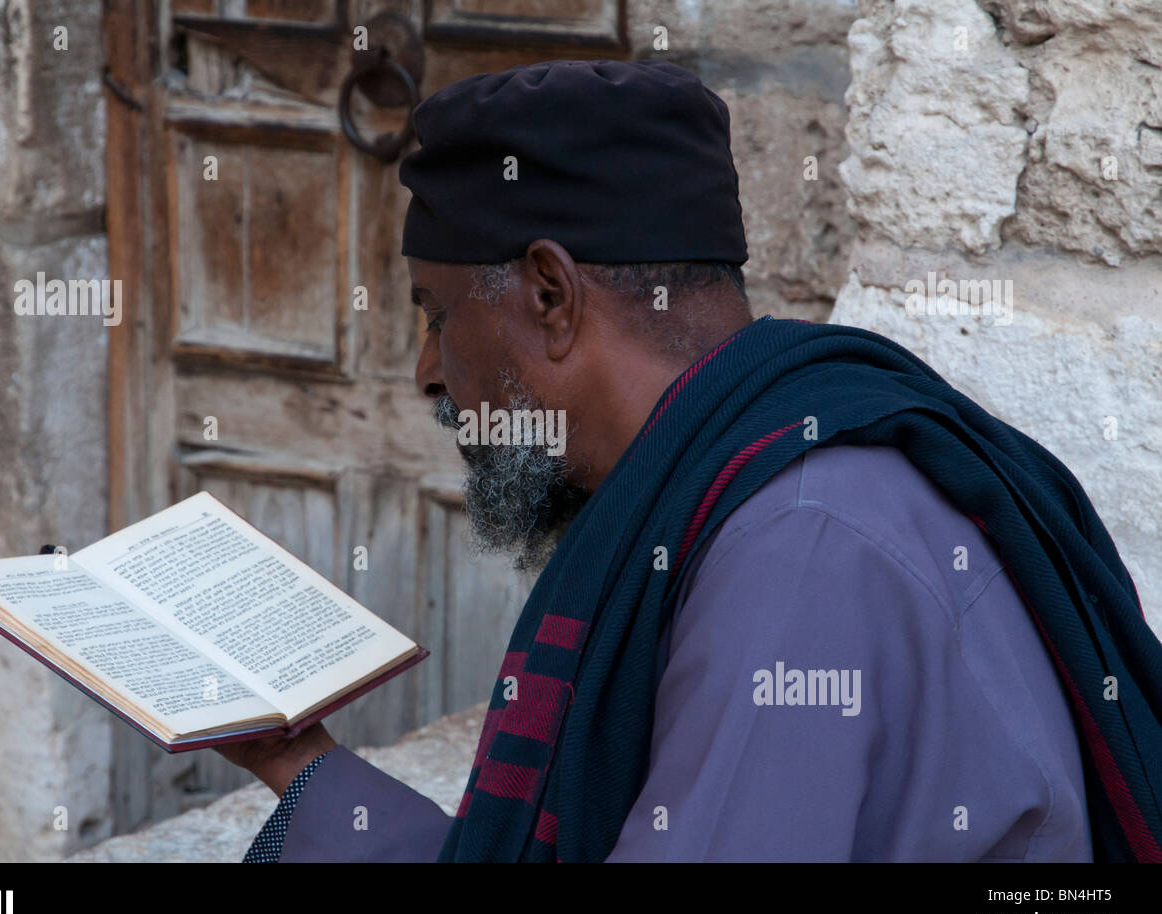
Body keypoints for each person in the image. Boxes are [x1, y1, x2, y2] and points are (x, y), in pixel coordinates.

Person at [224, 59, 1162, 862]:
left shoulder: (794, 552)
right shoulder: (760, 483)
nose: (430, 371)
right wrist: (295, 762)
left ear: (551, 295)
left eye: (437, 317)